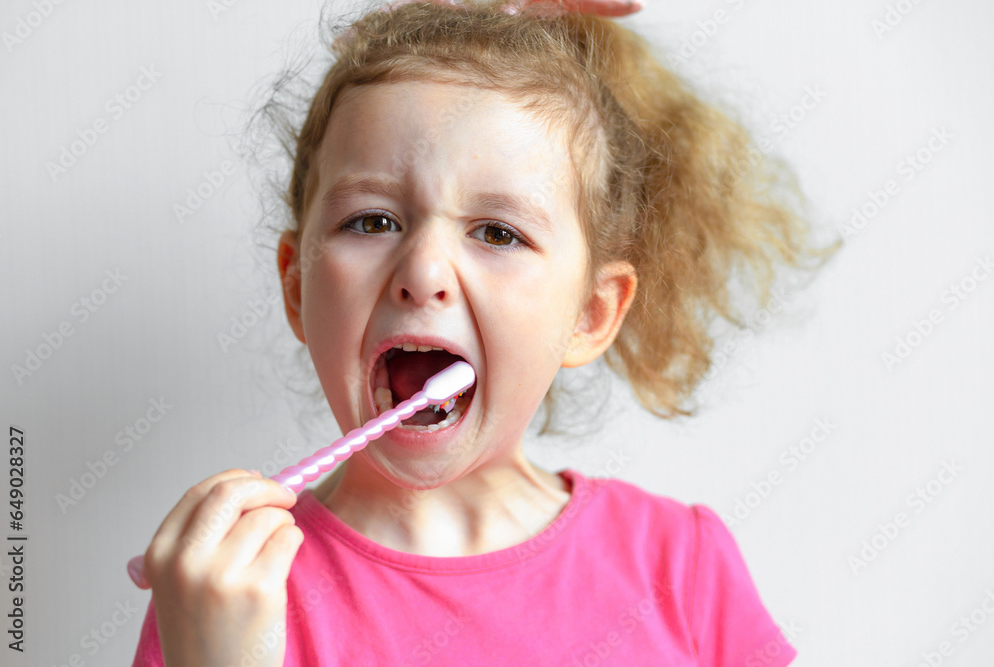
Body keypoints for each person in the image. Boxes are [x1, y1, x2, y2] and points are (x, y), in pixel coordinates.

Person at [130, 0, 833, 664]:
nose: (424, 270)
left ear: (590, 314)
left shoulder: (682, 563)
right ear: (297, 285)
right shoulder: (226, 596)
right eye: (372, 221)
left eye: (498, 232)